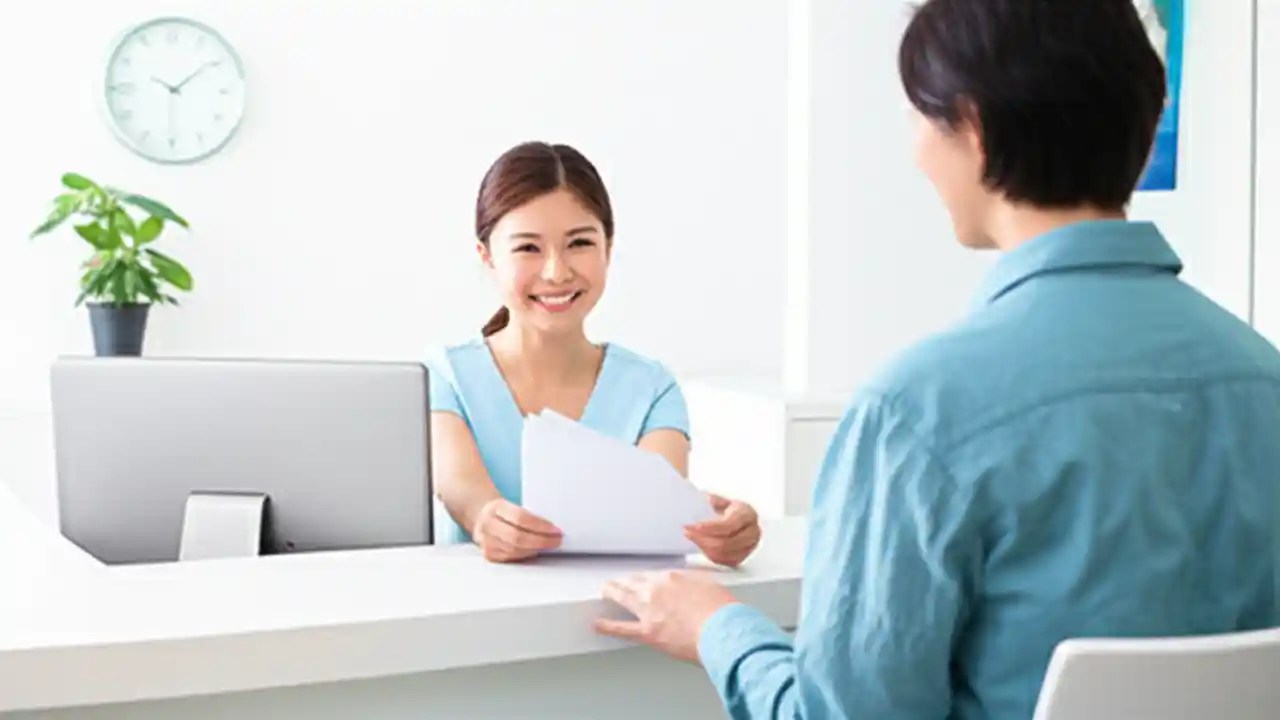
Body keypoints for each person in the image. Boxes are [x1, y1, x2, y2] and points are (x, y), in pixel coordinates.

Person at [594, 1, 1280, 718]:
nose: (915, 150)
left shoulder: (918, 411)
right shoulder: (1264, 379)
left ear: (973, 127)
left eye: (921, 117)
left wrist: (718, 628)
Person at [426, 141, 762, 566]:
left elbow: (654, 510)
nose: (556, 271)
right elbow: (464, 493)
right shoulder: (444, 376)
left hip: (614, 620)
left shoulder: (652, 387)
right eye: (528, 248)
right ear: (487, 257)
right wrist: (486, 520)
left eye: (579, 243)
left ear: (608, 245)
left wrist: (721, 525)